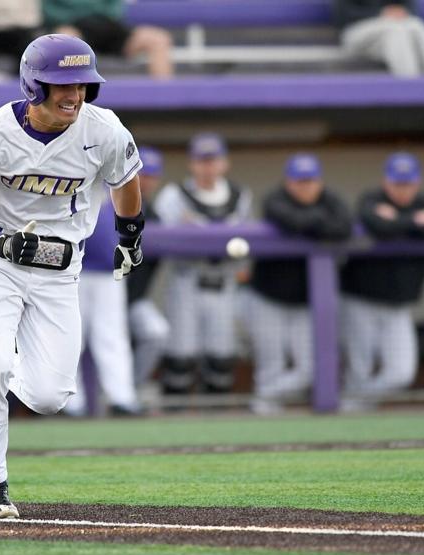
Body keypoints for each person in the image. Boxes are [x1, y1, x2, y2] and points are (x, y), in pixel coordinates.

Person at [0, 33, 146, 519]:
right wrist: (2, 242)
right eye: (61, 84)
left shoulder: (105, 129)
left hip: (59, 266)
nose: (73, 94)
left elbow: (125, 179)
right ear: (34, 86)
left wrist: (131, 233)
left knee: (51, 397)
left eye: (82, 85)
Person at [339, 151, 424, 410]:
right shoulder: (371, 198)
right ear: (386, 181)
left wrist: (400, 220)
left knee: (401, 373)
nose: (403, 190)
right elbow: (377, 225)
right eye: (397, 183)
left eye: (408, 183)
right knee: (359, 369)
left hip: (399, 306)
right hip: (360, 301)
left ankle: (351, 406)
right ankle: (349, 425)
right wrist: (418, 222)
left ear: (417, 182)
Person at [151, 133, 251, 400]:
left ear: (224, 163)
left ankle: (215, 418)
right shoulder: (174, 195)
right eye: (202, 160)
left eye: (213, 160)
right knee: (181, 355)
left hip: (223, 280)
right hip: (187, 279)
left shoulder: (239, 195)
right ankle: (175, 419)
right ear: (192, 164)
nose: (208, 167)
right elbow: (159, 239)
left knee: (221, 356)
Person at [248, 153, 351, 414]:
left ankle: (263, 398)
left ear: (319, 181)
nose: (305, 187)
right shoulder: (275, 199)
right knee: (270, 364)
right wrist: (319, 223)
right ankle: (262, 418)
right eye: (299, 181)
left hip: (305, 303)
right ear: (288, 182)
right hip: (267, 298)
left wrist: (310, 223)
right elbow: (292, 220)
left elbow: (345, 226)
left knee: (309, 370)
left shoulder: (332, 199)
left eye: (310, 181)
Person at [74, 195, 143, 415]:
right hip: (72, 270)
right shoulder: (68, 175)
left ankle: (121, 398)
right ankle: (69, 404)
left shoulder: (114, 181)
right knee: (70, 337)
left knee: (112, 336)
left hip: (109, 271)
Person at [124, 145, 170, 397]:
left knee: (156, 332)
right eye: (141, 174)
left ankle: (129, 388)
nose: (146, 181)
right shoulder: (109, 203)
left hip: (133, 300)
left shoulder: (155, 215)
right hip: (94, 296)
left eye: (151, 175)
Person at [43, 0, 175, 79]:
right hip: (75, 28)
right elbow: (48, 12)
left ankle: (167, 102)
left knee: (158, 39)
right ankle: (70, 103)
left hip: (108, 28)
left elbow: (115, 10)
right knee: (65, 38)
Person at [333, 1, 424, 78]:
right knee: (396, 30)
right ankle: (409, 86)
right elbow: (342, 15)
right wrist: (381, 13)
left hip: (389, 34)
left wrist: (401, 12)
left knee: (416, 25)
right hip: (356, 31)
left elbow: (411, 8)